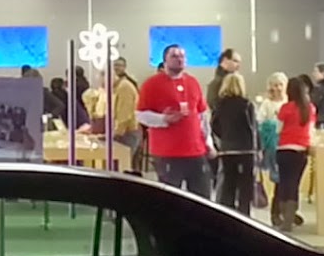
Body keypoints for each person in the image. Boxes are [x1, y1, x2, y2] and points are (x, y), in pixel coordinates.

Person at [136, 45, 211, 198]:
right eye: (174, 56)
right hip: (168, 153)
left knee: (203, 197)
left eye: (182, 56)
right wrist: (163, 119)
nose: (179, 59)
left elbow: (202, 116)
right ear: (164, 61)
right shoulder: (151, 84)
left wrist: (209, 143)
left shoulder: (193, 82)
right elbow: (140, 115)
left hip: (196, 150)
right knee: (170, 198)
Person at [211, 73, 258, 215]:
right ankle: (245, 214)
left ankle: (229, 213)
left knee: (229, 182)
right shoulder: (247, 104)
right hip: (245, 149)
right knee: (245, 185)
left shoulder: (219, 105)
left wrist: (224, 138)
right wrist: (257, 148)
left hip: (227, 149)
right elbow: (253, 128)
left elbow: (214, 125)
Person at [274, 75, 315, 229]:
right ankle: (289, 218)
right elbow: (311, 131)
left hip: (283, 150)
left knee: (284, 183)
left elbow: (278, 129)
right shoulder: (309, 108)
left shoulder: (285, 108)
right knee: (294, 184)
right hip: (300, 151)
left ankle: (285, 216)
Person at [258, 73, 288, 204]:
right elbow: (260, 120)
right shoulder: (267, 103)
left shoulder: (288, 102)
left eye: (281, 84)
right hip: (271, 142)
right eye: (275, 85)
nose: (278, 88)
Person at [111, 57, 142, 165]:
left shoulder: (125, 86)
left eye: (119, 65)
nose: (116, 68)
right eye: (115, 65)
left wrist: (116, 133)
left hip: (127, 131)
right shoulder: (118, 86)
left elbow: (125, 114)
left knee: (123, 166)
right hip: (125, 130)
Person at [206, 48, 243, 112]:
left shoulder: (237, 81)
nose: (238, 65)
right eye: (235, 61)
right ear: (225, 61)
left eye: (239, 62)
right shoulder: (215, 84)